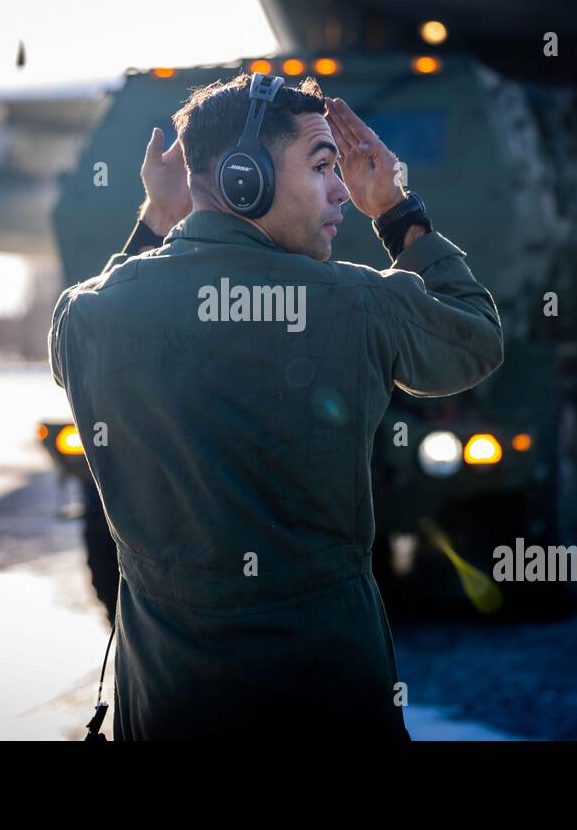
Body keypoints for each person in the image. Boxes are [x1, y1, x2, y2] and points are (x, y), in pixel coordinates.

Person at [48, 73, 503, 740]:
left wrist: (159, 218)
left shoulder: (87, 317)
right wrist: (397, 212)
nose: (343, 189)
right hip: (325, 704)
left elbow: (95, 319)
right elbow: (476, 339)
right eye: (323, 166)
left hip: (164, 709)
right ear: (243, 178)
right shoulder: (357, 302)